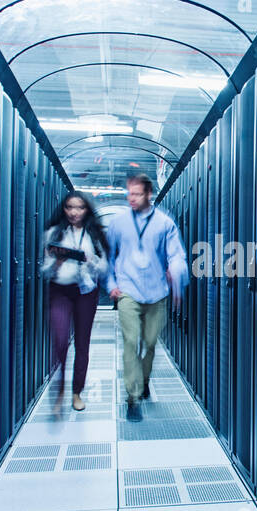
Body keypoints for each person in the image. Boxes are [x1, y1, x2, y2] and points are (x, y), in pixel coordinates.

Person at [107, 172, 188, 421]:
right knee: (131, 342)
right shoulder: (118, 223)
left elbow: (176, 254)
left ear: (149, 194)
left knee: (150, 344)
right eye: (129, 193)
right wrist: (111, 283)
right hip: (128, 291)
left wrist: (177, 279)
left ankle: (143, 380)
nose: (131, 198)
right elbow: (108, 256)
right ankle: (132, 397)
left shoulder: (165, 223)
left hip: (157, 292)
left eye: (137, 194)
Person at [40, 191, 110, 414]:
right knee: (60, 341)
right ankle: (59, 389)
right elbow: (43, 268)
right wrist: (57, 263)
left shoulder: (94, 235)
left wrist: (90, 261)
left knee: (82, 343)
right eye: (70, 207)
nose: (74, 212)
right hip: (60, 290)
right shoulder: (54, 233)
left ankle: (76, 393)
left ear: (86, 210)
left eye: (79, 208)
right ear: (64, 209)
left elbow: (104, 268)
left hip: (86, 292)